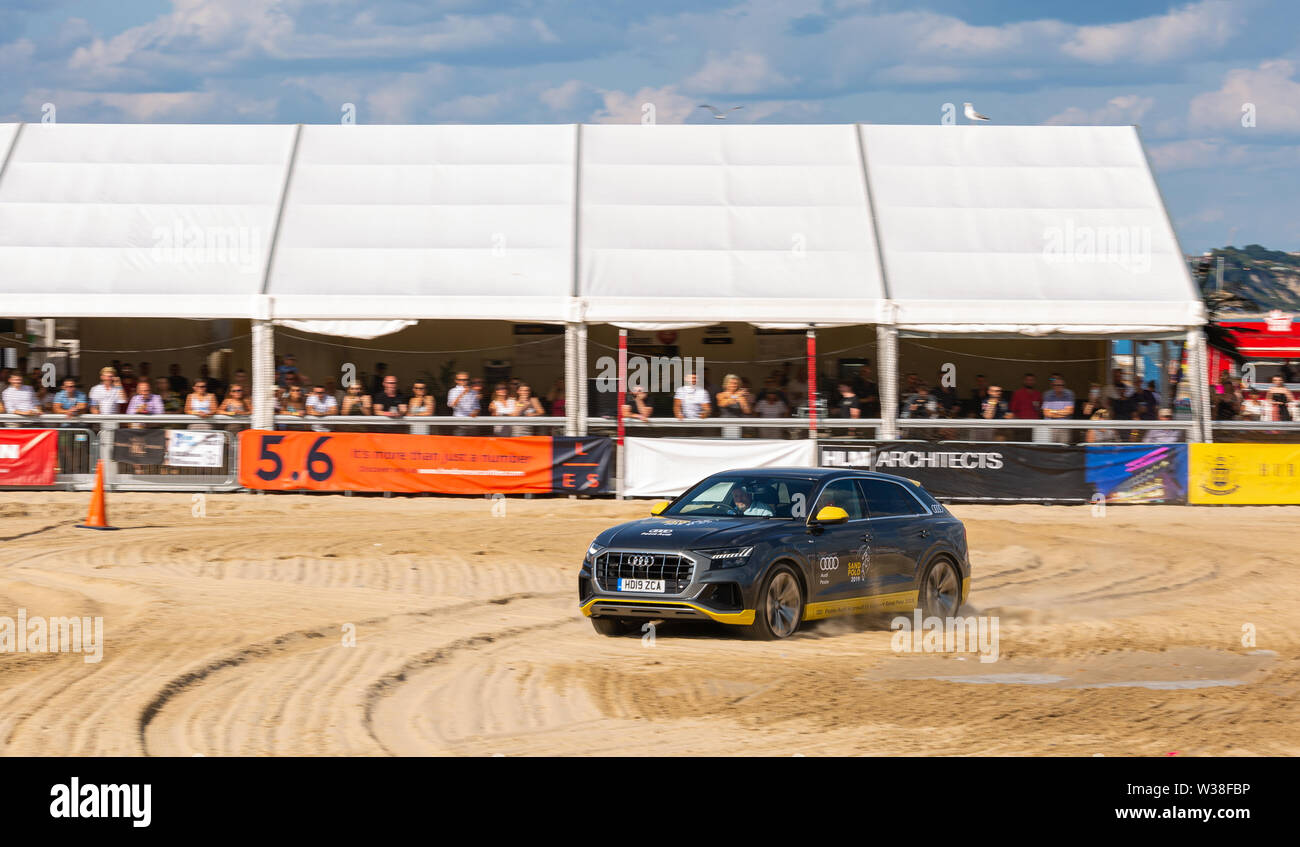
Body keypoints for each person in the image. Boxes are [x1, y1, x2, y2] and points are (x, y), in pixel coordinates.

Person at [1041, 375, 1076, 444]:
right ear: (1053, 386)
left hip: (1064, 426)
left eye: (1062, 385)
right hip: (1050, 426)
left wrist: (1054, 412)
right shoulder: (1047, 394)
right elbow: (1046, 413)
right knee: (1050, 448)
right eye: (1057, 385)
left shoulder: (1069, 394)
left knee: (1063, 448)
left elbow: (1070, 411)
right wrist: (1062, 413)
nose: (1060, 387)